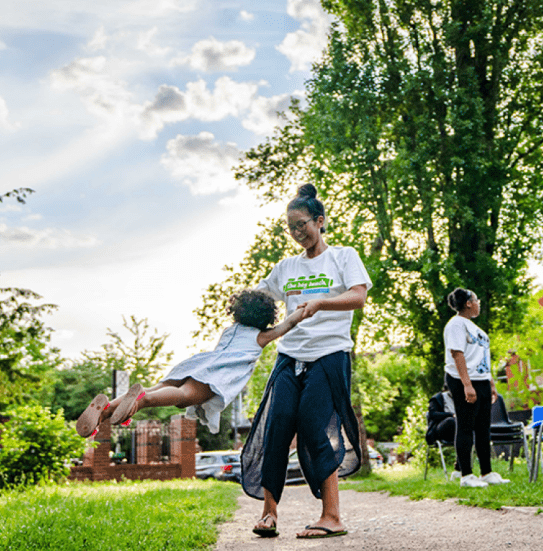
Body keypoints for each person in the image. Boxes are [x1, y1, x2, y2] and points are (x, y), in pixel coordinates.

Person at [241, 184, 373, 540]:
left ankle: (332, 516)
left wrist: (320, 304)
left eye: (303, 225)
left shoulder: (343, 257)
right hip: (290, 355)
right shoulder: (285, 267)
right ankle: (269, 513)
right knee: (276, 428)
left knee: (314, 428)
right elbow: (259, 302)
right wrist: (239, 308)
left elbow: (358, 297)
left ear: (320, 221)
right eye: (291, 227)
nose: (298, 233)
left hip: (329, 355)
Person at [75, 290, 304, 438]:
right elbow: (288, 325)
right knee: (182, 395)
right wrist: (303, 309)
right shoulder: (260, 336)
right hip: (218, 373)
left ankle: (104, 412)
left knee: (159, 385)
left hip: (197, 363)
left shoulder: (230, 330)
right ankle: (142, 399)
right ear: (265, 317)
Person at [444, 287, 509, 488]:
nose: (479, 303)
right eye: (476, 299)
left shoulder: (473, 327)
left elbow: (482, 357)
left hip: (481, 380)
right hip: (463, 379)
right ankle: (466, 475)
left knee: (483, 428)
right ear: (468, 303)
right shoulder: (456, 324)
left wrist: (490, 383)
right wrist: (466, 384)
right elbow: (457, 354)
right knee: (465, 426)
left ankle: (486, 472)